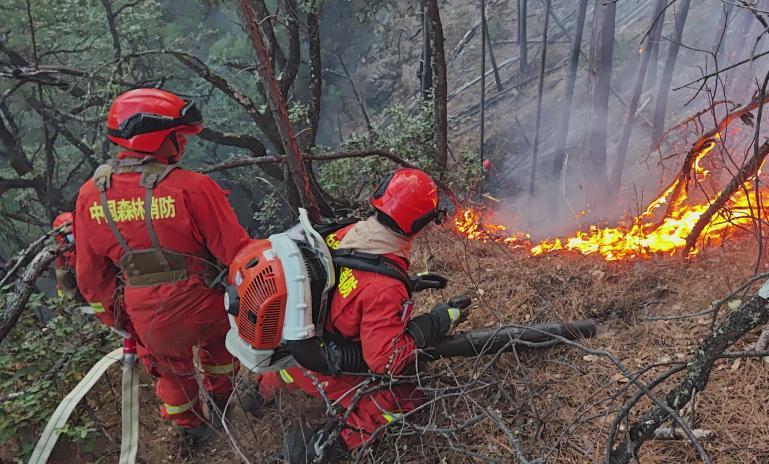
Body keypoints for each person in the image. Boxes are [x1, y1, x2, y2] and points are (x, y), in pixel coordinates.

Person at [230, 168, 464, 463]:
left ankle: (261, 392)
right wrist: (438, 321)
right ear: (419, 223)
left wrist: (409, 282)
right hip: (323, 367)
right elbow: (386, 361)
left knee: (293, 369)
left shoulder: (346, 233)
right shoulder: (385, 289)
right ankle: (325, 448)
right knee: (402, 394)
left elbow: (351, 284)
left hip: (295, 354)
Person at [74, 88, 251, 445]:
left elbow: (90, 277)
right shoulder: (194, 188)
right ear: (156, 138)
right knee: (219, 350)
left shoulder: (91, 196)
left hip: (148, 316)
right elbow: (237, 252)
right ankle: (222, 402)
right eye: (178, 137)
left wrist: (119, 321)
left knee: (170, 374)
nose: (182, 146)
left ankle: (191, 431)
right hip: (205, 304)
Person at [51, 212, 83, 302]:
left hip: (96, 276)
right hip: (79, 281)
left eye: (68, 225)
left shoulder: (86, 237)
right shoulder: (62, 247)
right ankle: (74, 302)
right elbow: (59, 269)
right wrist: (61, 297)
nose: (66, 229)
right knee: (61, 274)